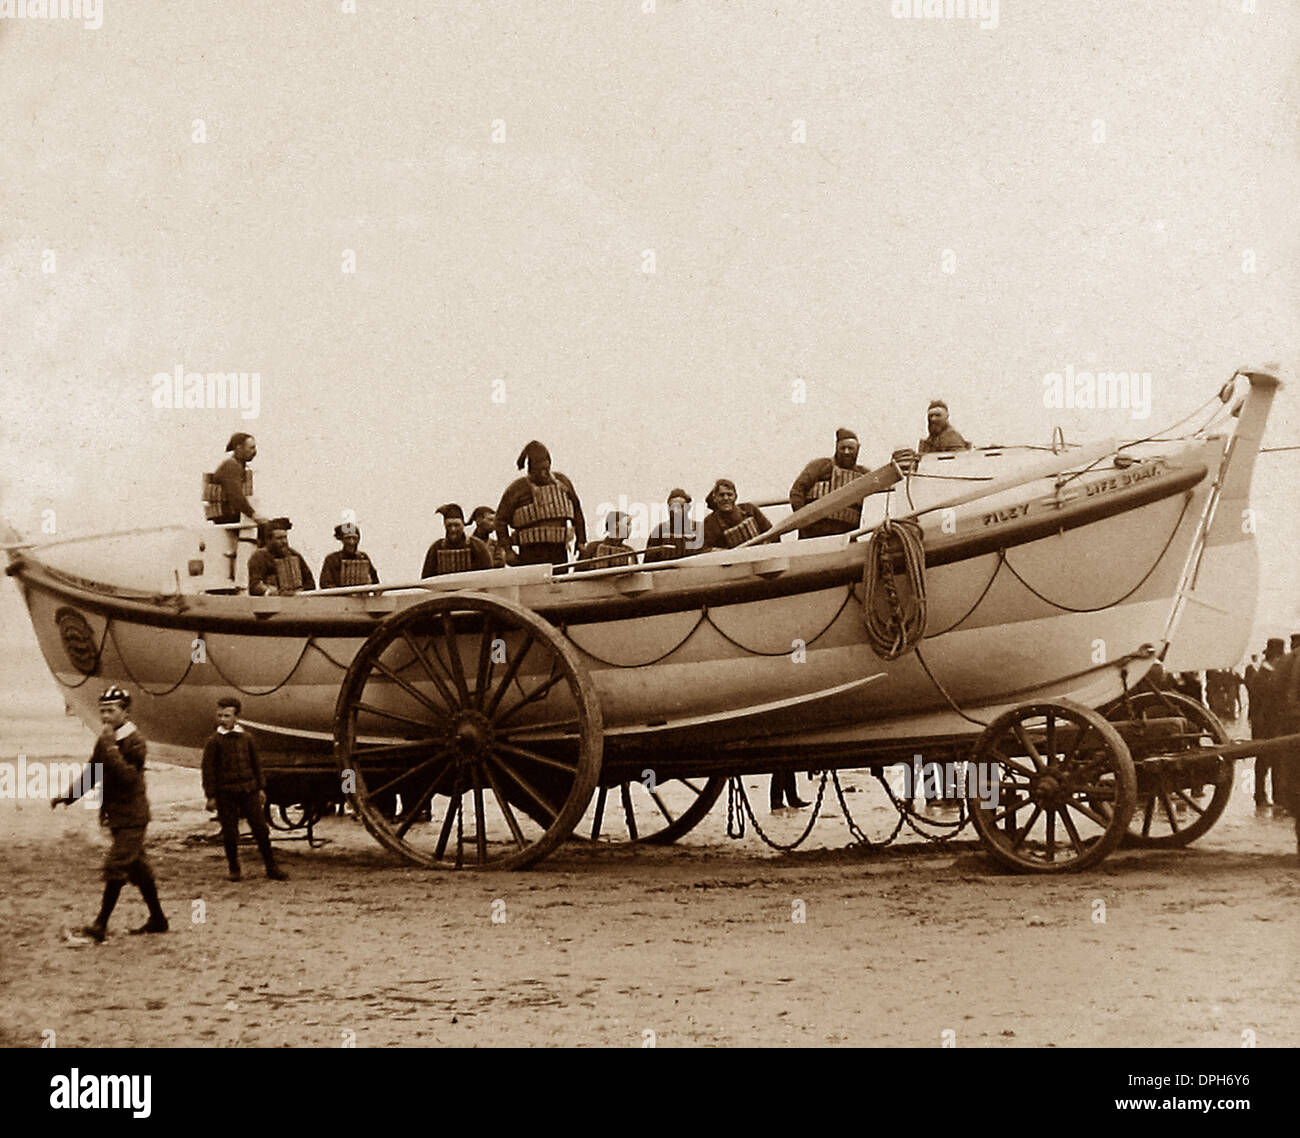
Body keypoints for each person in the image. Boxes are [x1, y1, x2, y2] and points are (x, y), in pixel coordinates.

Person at [52, 686, 168, 942]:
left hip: (133, 817)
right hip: (117, 816)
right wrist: (68, 796)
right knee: (139, 870)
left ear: (125, 712)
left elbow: (127, 777)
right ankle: (158, 919)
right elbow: (93, 773)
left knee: (116, 866)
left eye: (111, 711)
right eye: (102, 711)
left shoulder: (135, 740)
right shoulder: (107, 738)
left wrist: (110, 747)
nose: (105, 716)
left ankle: (100, 924)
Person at [201, 697, 288, 882]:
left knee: (260, 830)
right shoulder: (213, 742)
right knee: (230, 832)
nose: (223, 719)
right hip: (226, 793)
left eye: (227, 715)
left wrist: (261, 788)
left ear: (236, 717)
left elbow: (256, 764)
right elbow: (208, 771)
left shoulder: (247, 738)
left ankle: (271, 867)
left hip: (249, 790)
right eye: (220, 715)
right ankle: (234, 869)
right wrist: (210, 796)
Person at [494, 440, 586, 567]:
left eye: (547, 468)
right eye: (541, 469)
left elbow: (576, 509)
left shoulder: (562, 482)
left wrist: (581, 540)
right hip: (530, 552)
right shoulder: (517, 488)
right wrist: (508, 550)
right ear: (531, 469)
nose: (545, 473)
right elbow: (500, 520)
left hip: (558, 550)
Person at [788, 428, 871, 539]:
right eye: (843, 448)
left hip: (846, 536)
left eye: (850, 448)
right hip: (814, 534)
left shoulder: (863, 474)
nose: (846, 452)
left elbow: (883, 482)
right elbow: (796, 492)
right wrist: (804, 521)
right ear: (836, 448)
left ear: (857, 450)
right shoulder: (820, 466)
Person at [1249, 639, 1286, 810]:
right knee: (1264, 761)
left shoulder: (1266, 673)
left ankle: (1276, 796)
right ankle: (1261, 795)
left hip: (1269, 722)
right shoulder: (1264, 674)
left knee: (1276, 760)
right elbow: (1262, 701)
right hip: (1264, 723)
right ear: (1275, 657)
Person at [204, 432, 269, 528]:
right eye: (251, 448)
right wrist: (254, 515)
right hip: (228, 520)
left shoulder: (239, 466)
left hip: (236, 518)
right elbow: (235, 495)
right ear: (239, 448)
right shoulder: (231, 465)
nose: (255, 452)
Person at [422, 504, 494, 577]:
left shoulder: (478, 546)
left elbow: (488, 577)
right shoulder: (436, 548)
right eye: (449, 525)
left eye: (456, 525)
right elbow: (426, 578)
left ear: (463, 525)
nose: (453, 529)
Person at [247, 519, 316, 595]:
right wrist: (269, 590)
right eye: (279, 538)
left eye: (285, 537)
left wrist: (300, 591)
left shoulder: (294, 555)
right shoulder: (259, 557)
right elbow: (254, 585)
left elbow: (310, 583)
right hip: (273, 603)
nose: (284, 541)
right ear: (269, 540)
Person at [700, 479, 771, 550]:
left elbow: (771, 533)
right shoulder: (709, 522)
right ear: (715, 498)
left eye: (729, 495)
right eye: (721, 495)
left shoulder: (750, 509)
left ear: (735, 496)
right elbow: (703, 548)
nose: (726, 498)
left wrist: (765, 545)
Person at [644, 489, 702, 563]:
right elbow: (649, 561)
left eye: (680, 507)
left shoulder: (699, 529)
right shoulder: (659, 531)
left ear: (688, 508)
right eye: (672, 507)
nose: (675, 511)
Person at [319, 522, 380, 588]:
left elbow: (375, 582)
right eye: (348, 538)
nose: (351, 542)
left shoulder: (363, 557)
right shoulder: (332, 559)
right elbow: (325, 583)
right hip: (338, 597)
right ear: (342, 540)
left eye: (354, 538)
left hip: (361, 597)